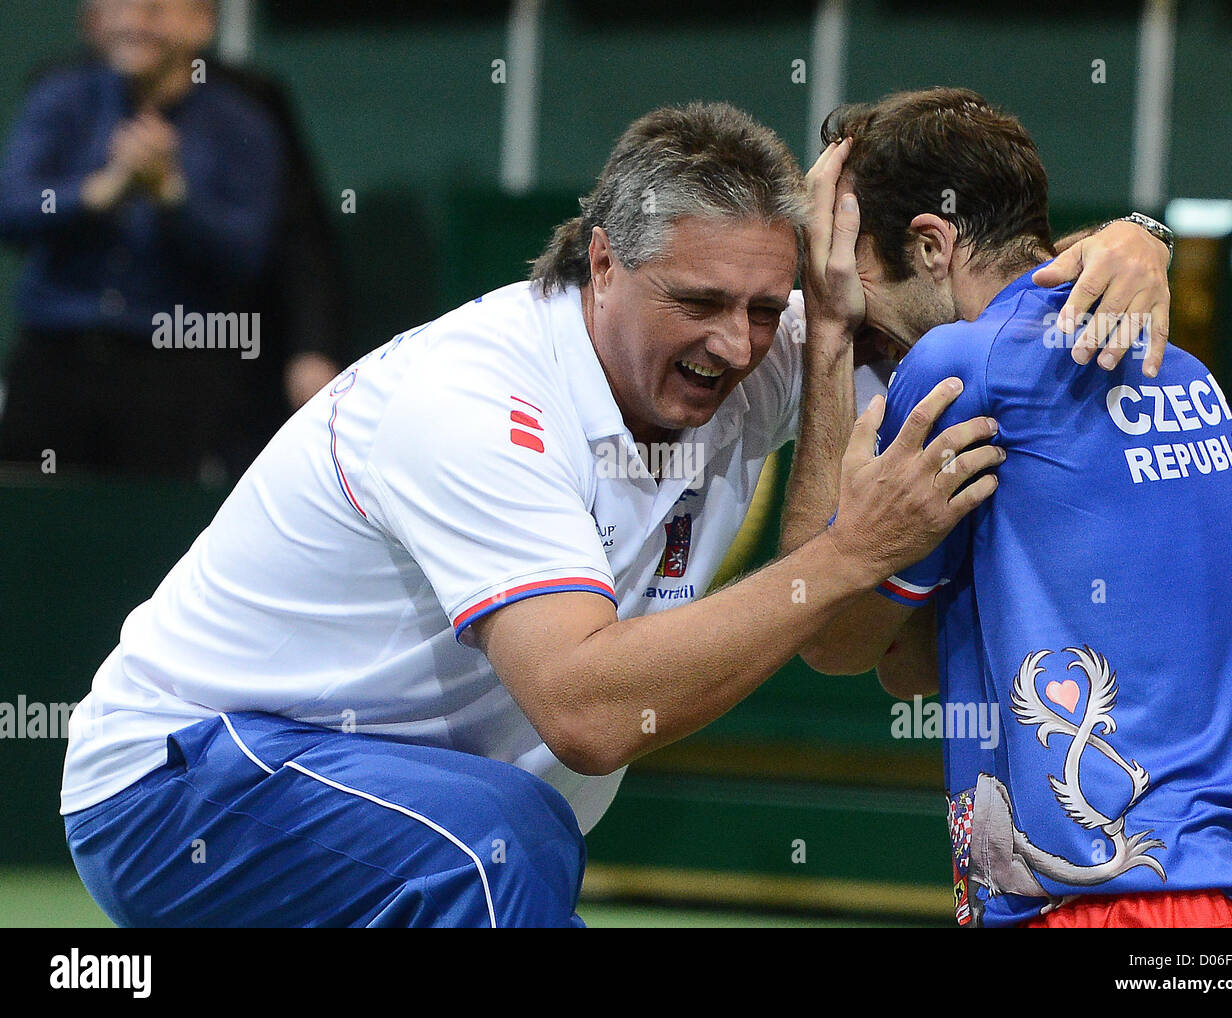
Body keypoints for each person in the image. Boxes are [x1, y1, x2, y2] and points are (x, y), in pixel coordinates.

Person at [60, 101, 1172, 928]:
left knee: (497, 838)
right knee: (501, 848)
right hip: (189, 780)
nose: (735, 344)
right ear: (602, 263)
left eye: (761, 306)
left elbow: (968, 271)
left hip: (394, 810)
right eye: (697, 303)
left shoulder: (760, 349)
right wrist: (845, 558)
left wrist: (1130, 241)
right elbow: (588, 716)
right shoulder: (473, 401)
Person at [788, 87, 1232, 928]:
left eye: (854, 271)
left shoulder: (962, 364)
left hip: (1098, 903)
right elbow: (919, 661)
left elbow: (827, 633)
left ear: (930, 244)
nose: (853, 299)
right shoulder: (1187, 374)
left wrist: (832, 335)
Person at [0, 0, 287, 480]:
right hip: (54, 358)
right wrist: (97, 192)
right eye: (118, 7)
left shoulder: (242, 123)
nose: (134, 22)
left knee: (149, 532)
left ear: (203, 24)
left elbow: (246, 256)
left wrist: (171, 194)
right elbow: (12, 208)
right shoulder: (60, 98)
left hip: (173, 367)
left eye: (156, 9)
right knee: (31, 524)